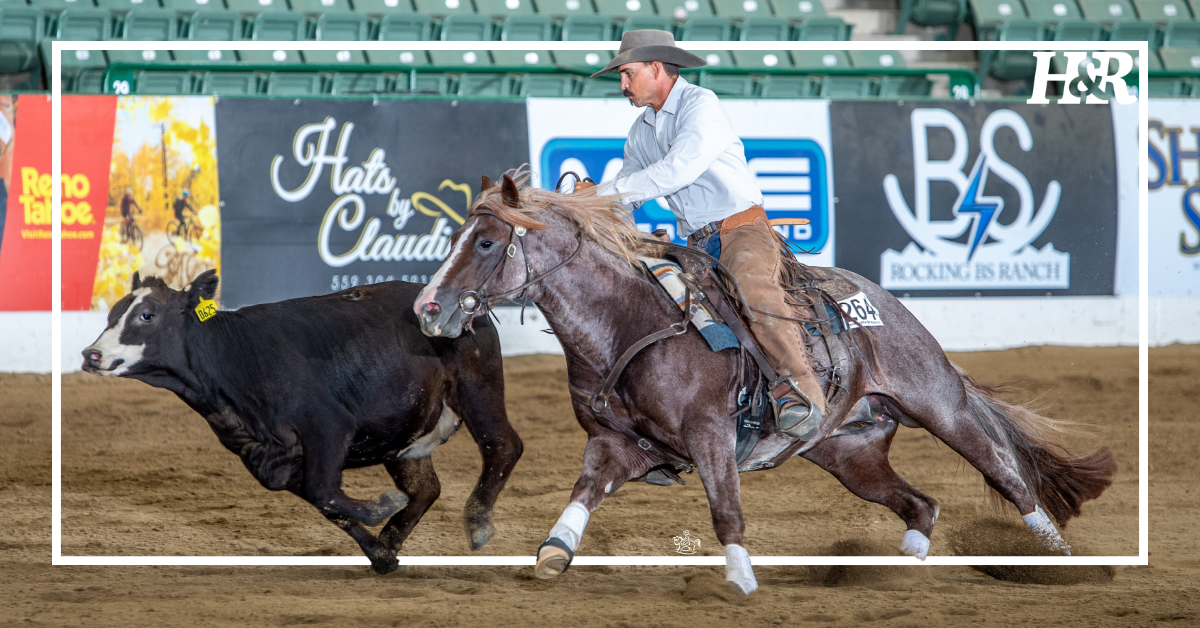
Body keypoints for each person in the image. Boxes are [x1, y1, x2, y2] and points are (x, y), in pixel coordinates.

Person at [590, 29, 826, 439]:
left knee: (754, 289)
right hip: (697, 244)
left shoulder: (701, 104)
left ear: (656, 68)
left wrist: (601, 193)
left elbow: (675, 171)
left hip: (741, 229)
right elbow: (628, 192)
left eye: (627, 73)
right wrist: (588, 204)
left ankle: (803, 393)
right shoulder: (641, 130)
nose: (622, 85)